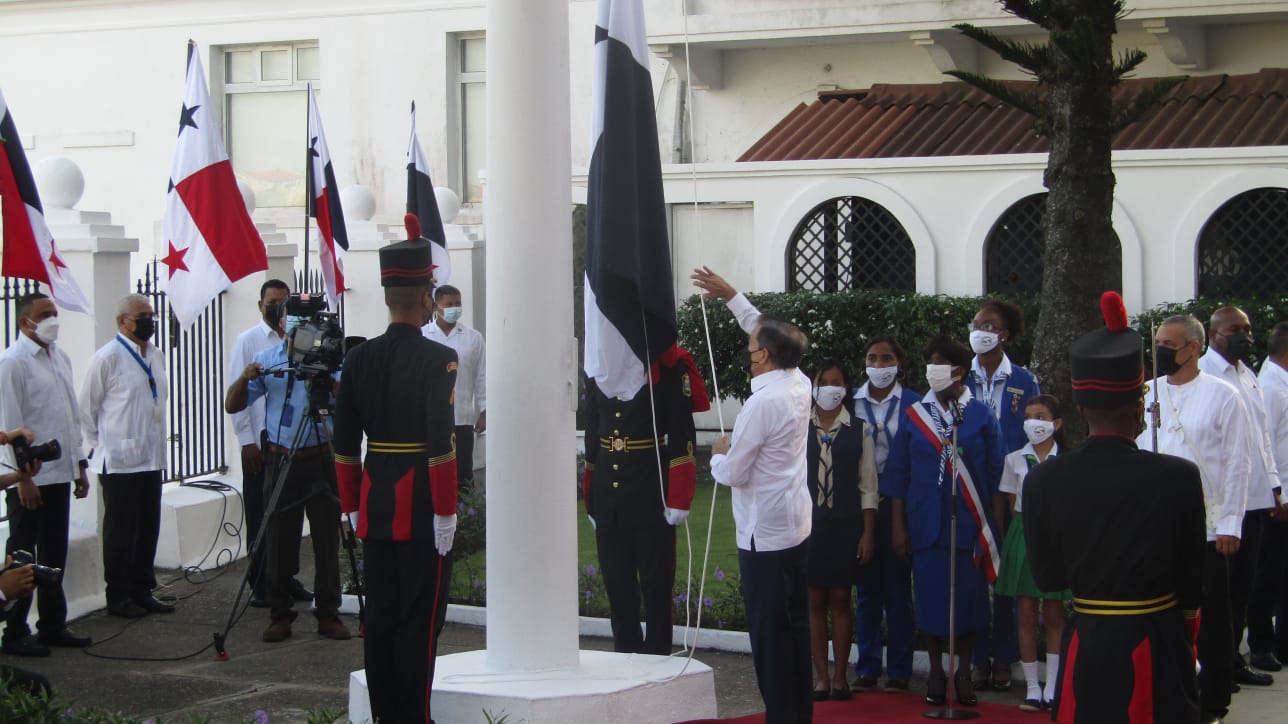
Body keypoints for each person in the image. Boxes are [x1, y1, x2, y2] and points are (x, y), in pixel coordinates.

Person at [1025, 291, 1205, 723]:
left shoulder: (1043, 479)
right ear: (1141, 406)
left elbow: (1049, 576)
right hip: (1156, 641)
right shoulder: (1178, 476)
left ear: (1081, 407)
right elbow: (1191, 585)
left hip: (1086, 637)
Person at [333, 217, 459, 724]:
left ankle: (387, 715)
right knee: (419, 621)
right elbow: (441, 447)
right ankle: (414, 717)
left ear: (389, 297)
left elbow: (344, 444)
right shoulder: (439, 358)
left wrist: (351, 505)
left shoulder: (358, 358)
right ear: (427, 296)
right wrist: (446, 512)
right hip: (423, 504)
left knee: (380, 617)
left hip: (376, 501)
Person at [693, 266, 813, 724]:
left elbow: (734, 474)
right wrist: (732, 297)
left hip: (764, 534)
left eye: (752, 348)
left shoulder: (763, 403)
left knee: (770, 636)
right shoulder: (798, 379)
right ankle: (798, 713)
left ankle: (782, 715)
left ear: (762, 356)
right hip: (793, 526)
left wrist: (717, 455)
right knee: (796, 630)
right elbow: (763, 326)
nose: (749, 349)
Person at [1137, 314, 1251, 724]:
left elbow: (1239, 462)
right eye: (1158, 343)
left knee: (1211, 621)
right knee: (1162, 616)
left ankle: (1212, 702)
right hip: (1154, 527)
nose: (1161, 350)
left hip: (1206, 527)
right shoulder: (1147, 393)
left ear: (1193, 348)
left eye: (1170, 343)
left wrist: (1230, 524)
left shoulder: (1223, 396)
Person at [883, 333, 1004, 707]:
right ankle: (936, 671)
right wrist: (899, 525)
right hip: (925, 525)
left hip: (970, 525)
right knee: (932, 601)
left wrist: (995, 529)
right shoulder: (915, 415)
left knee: (969, 602)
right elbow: (898, 475)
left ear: (960, 372)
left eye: (940, 365)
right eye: (929, 365)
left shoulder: (981, 415)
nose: (932, 372)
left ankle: (964, 670)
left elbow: (997, 475)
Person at [225, 307, 350, 644]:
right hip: (282, 458)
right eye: (292, 320)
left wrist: (335, 388)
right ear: (283, 324)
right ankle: (279, 613)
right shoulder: (269, 359)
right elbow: (232, 404)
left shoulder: (332, 360)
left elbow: (352, 407)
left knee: (327, 538)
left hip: (321, 455)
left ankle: (328, 612)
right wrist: (245, 378)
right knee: (279, 538)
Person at [582, 341, 708, 655]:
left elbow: (681, 431)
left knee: (656, 585)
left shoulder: (667, 366)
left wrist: (679, 496)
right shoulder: (601, 366)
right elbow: (593, 429)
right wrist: (591, 491)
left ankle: (657, 658)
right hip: (609, 491)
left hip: (652, 491)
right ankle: (625, 657)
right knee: (617, 585)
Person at [0, 292, 92, 656]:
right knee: (22, 556)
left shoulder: (60, 358)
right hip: (28, 479)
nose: (54, 319)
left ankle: (53, 624)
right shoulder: (13, 363)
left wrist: (79, 464)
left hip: (58, 472)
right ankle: (15, 630)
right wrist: (23, 479)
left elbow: (69, 416)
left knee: (54, 555)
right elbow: (9, 426)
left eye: (55, 313)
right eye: (45, 314)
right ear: (26, 322)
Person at [1199, 306, 1280, 688]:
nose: (1244, 335)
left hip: (1256, 497)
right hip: (1223, 502)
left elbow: (1263, 438)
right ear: (1214, 334)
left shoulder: (1247, 374)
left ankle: (1232, 658)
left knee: (1243, 587)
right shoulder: (1205, 375)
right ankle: (1217, 664)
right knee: (1220, 590)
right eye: (1235, 329)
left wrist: (1276, 486)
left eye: (1247, 329)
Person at [79, 294, 174, 618]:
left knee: (148, 525)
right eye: (142, 316)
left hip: (151, 456)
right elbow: (87, 410)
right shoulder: (107, 358)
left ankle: (142, 588)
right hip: (119, 460)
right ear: (123, 321)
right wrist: (100, 443)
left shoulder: (156, 355)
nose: (149, 321)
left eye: (151, 315)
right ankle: (118, 595)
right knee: (121, 530)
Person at [966, 298, 1039, 693]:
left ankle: (1005, 658)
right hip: (972, 486)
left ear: (1004, 334)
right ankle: (978, 657)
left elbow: (1035, 432)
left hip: (1011, 491)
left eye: (989, 325)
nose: (981, 330)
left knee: (1008, 577)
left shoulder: (1024, 381)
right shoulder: (963, 378)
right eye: (977, 323)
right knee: (976, 574)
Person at [228, 279, 312, 607]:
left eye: (283, 302)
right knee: (261, 512)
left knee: (288, 514)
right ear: (260, 305)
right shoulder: (248, 341)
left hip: (292, 438)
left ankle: (285, 577)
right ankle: (260, 580)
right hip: (263, 440)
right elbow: (238, 394)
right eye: (272, 302)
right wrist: (246, 442)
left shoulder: (299, 340)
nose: (278, 308)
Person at [804, 359, 876, 701]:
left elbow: (868, 487)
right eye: (824, 381)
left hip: (847, 524)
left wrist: (868, 532)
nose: (830, 388)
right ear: (813, 387)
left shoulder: (859, 429)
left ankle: (841, 677)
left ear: (845, 389)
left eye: (837, 382)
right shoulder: (800, 427)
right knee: (814, 598)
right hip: (810, 526)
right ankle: (820, 676)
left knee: (840, 598)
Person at [851, 336, 919, 692]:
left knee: (898, 591)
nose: (879, 366)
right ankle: (867, 665)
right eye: (873, 359)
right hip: (863, 504)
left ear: (899, 364)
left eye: (886, 358)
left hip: (898, 505)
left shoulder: (914, 404)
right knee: (866, 591)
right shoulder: (851, 402)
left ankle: (900, 669)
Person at [993, 394, 1068, 711]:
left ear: (1056, 423)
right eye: (1029, 416)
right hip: (1024, 534)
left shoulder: (1066, 460)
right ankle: (1032, 688)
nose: (1033, 422)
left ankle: (1053, 685)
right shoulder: (1014, 459)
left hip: (1057, 536)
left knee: (1053, 612)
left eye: (1041, 416)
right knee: (1025, 613)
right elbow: (1011, 506)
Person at [1250, 321, 1288, 672]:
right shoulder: (1271, 387)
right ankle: (1262, 644)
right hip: (1278, 496)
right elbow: (1266, 444)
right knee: (1269, 573)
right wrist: (1278, 492)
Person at [421, 284, 486, 484]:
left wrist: (484, 411)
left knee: (462, 474)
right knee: (432, 474)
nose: (454, 308)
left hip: (462, 419)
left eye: (458, 303)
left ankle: (465, 514)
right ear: (436, 306)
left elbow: (482, 375)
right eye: (449, 304)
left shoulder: (473, 338)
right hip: (429, 418)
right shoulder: (423, 335)